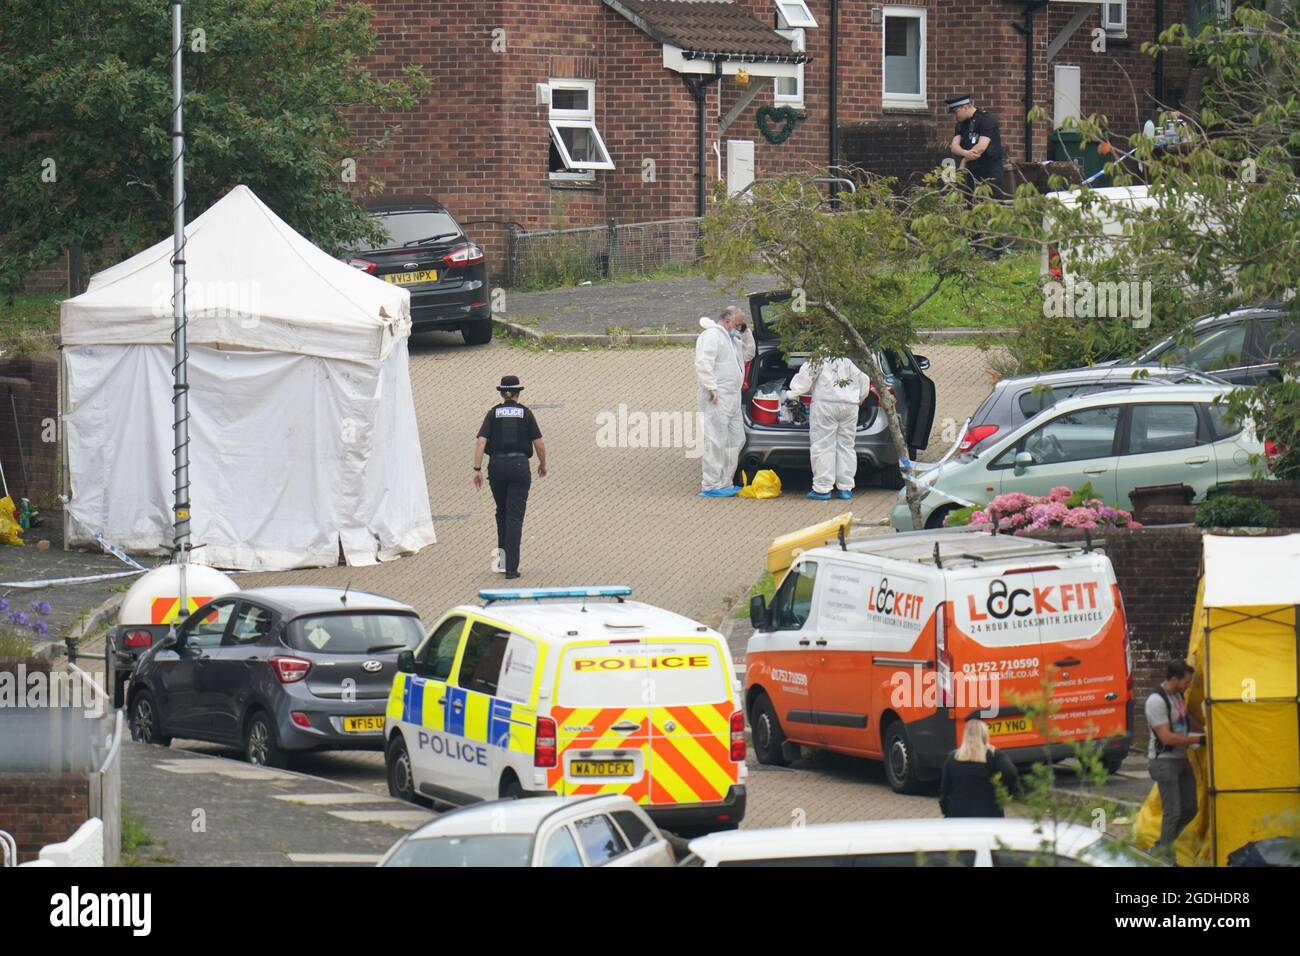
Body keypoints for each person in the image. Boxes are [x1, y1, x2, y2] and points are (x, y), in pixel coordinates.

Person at [473, 375, 547, 580]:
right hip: (519, 466)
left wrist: (477, 469)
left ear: (501, 393)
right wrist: (542, 464)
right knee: (515, 517)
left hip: (496, 466)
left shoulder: (492, 414)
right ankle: (512, 570)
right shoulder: (526, 414)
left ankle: (503, 562)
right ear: (517, 393)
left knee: (502, 512)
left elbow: (481, 442)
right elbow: (539, 444)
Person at [785, 354, 870, 500]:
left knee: (823, 445)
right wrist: (858, 400)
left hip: (826, 404)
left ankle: (822, 489)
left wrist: (792, 394)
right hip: (850, 406)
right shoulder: (851, 360)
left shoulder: (820, 357)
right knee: (846, 445)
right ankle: (845, 487)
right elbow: (865, 380)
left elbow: (806, 376)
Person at [694, 305, 755, 497]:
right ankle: (711, 484)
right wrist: (711, 387)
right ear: (727, 321)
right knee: (715, 440)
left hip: (733, 398)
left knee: (737, 438)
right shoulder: (712, 336)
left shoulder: (732, 339)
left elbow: (749, 353)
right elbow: (704, 362)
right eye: (737, 324)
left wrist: (745, 333)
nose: (739, 328)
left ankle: (725, 481)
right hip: (717, 397)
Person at [1146, 660, 1203, 860]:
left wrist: (1205, 729)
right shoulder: (1156, 701)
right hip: (1164, 761)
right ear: (1174, 679)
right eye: (1186, 682)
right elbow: (1166, 737)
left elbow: (1185, 718)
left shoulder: (1177, 695)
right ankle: (1165, 858)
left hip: (1180, 758)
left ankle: (1161, 846)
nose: (1188, 686)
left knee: (1190, 808)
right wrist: (1198, 739)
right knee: (1173, 812)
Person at [939, 718, 1020, 818]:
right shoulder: (994, 755)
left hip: (958, 815)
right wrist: (1005, 793)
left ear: (965, 736)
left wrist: (946, 810)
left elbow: (944, 790)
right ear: (985, 735)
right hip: (989, 813)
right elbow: (1010, 773)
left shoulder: (953, 757)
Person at [947, 93, 1004, 195]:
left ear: (965, 107)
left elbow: (981, 147)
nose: (955, 116)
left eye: (956, 112)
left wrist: (964, 159)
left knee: (990, 203)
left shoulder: (986, 119)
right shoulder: (961, 124)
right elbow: (954, 147)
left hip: (989, 170)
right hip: (972, 171)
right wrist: (965, 153)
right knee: (971, 203)